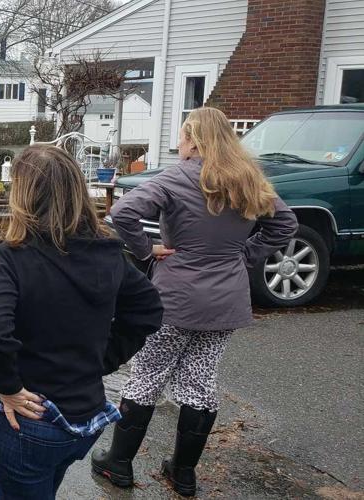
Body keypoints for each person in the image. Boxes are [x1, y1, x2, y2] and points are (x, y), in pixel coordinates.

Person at [92, 107, 298, 497]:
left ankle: (118, 464)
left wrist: (147, 251)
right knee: (200, 381)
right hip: (226, 299)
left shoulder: (178, 176)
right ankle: (183, 474)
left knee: (149, 376)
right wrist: (245, 254)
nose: (180, 144)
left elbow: (122, 212)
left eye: (183, 137)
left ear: (195, 139)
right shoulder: (248, 179)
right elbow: (285, 224)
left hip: (176, 296)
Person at [0, 145, 164, 500]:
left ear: (22, 195)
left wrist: (7, 387)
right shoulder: (107, 253)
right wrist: (99, 361)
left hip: (28, 422)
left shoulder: (8, 260)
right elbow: (148, 309)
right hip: (83, 420)